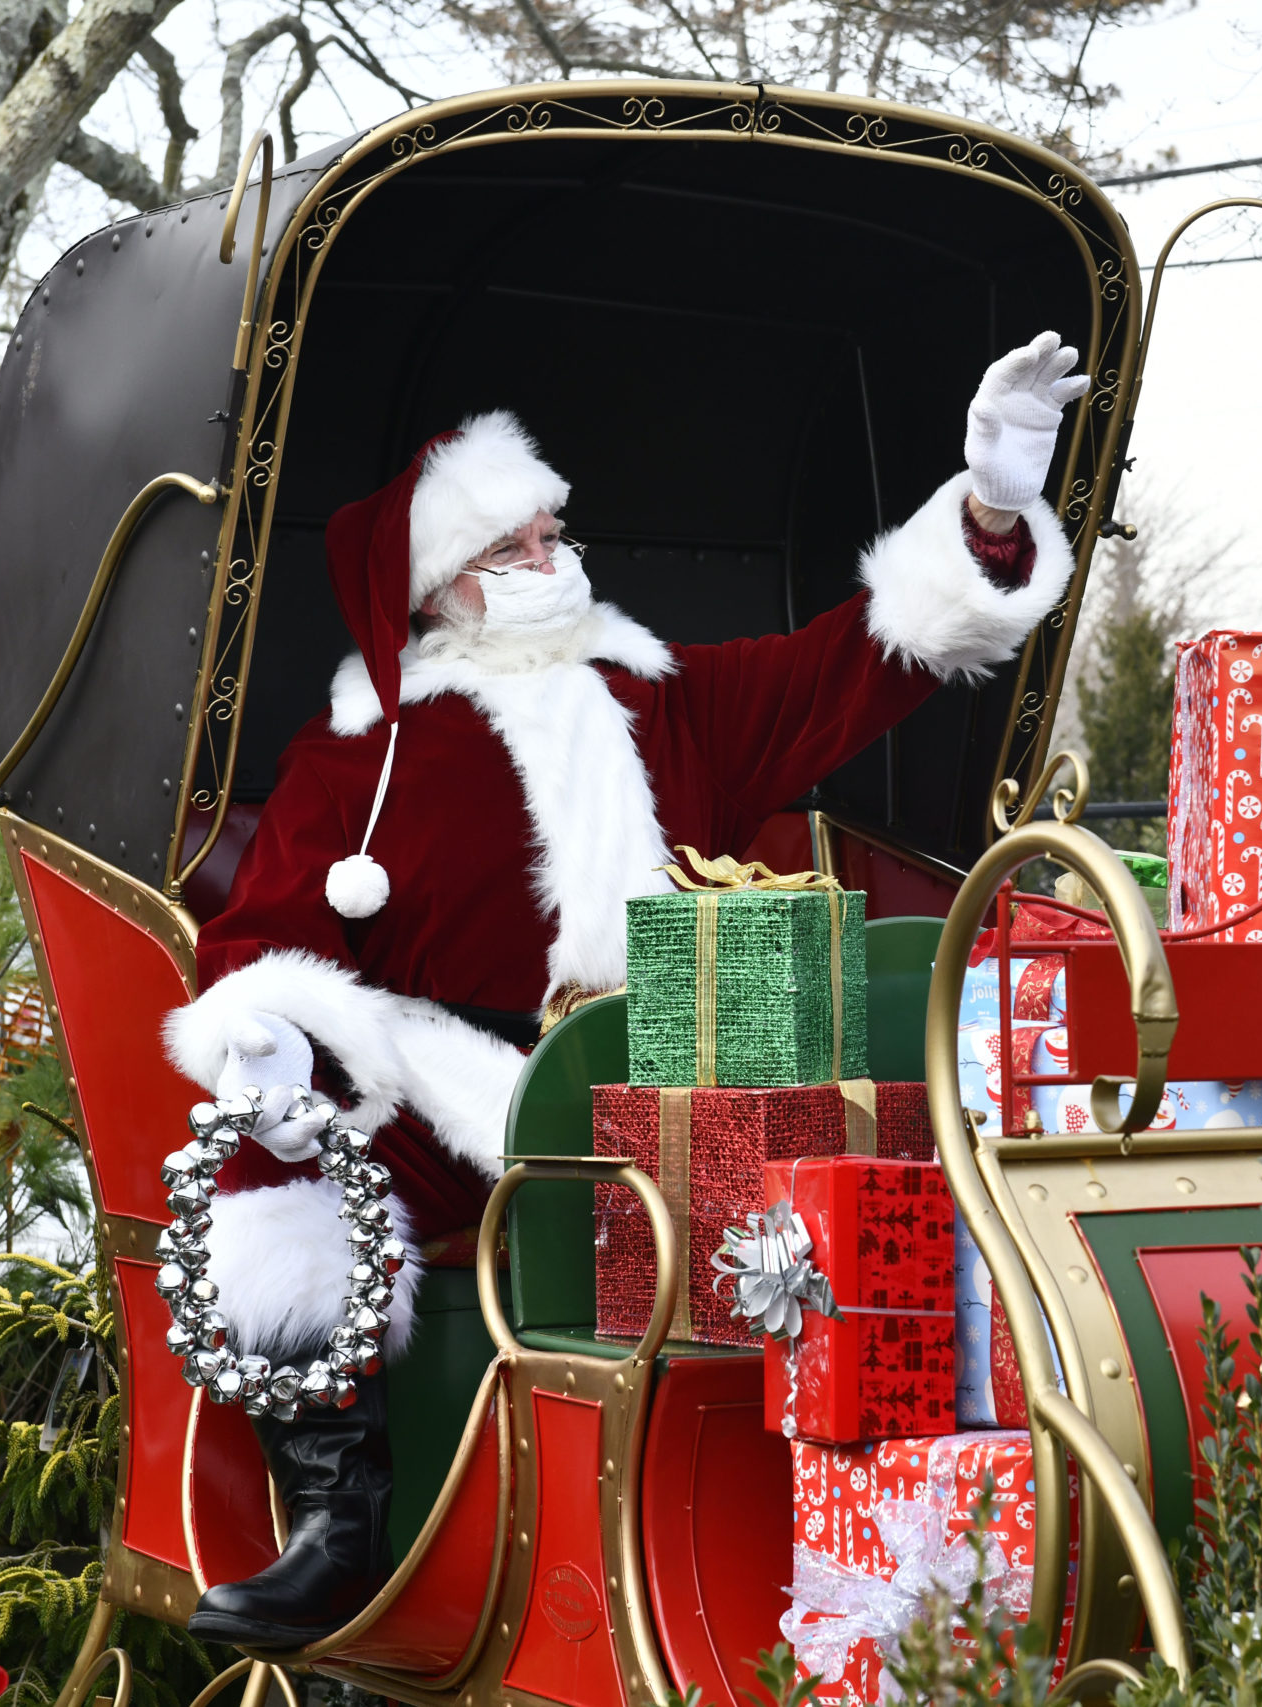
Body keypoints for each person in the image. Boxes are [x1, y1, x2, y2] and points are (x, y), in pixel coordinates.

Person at [163, 333, 1088, 1646]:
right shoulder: (359, 755)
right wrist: (262, 1042)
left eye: (554, 537)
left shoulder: (670, 699)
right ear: (441, 590)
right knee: (287, 1177)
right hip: (450, 1091)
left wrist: (989, 509)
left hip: (686, 1067)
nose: (552, 565)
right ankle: (340, 1521)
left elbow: (865, 658)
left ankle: (923, 1519)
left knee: (880, 1148)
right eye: (515, 550)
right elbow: (262, 946)